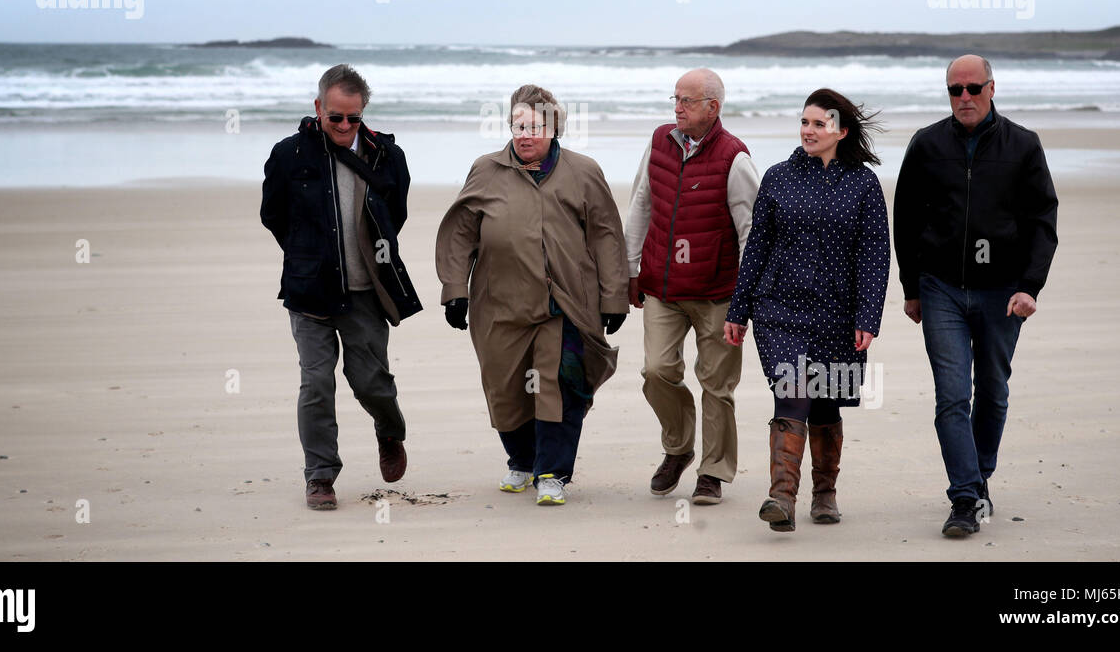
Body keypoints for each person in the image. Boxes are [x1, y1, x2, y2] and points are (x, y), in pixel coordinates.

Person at [436, 85, 630, 506]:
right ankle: (522, 461)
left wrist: (614, 297)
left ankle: (552, 472)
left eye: (536, 126)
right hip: (500, 306)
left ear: (553, 127)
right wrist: (455, 290)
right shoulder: (486, 170)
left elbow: (607, 236)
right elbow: (461, 233)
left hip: (566, 304)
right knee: (506, 388)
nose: (526, 135)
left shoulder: (583, 171)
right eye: (518, 125)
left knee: (560, 384)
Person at [894, 55, 1058, 538]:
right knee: (952, 395)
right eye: (954, 90)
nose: (963, 98)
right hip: (940, 287)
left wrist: (1030, 285)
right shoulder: (927, 144)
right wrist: (911, 288)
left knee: (993, 390)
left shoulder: (1023, 145)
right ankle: (964, 497)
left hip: (1003, 291)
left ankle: (980, 474)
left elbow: (1042, 221)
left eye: (971, 88)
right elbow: (905, 218)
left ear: (991, 88)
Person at [724, 88, 890, 532]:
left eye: (819, 124)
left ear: (841, 131)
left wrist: (867, 317)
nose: (809, 131)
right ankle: (782, 498)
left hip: (838, 313)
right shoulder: (778, 177)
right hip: (780, 308)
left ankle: (824, 493)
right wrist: (738, 310)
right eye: (804, 122)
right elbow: (756, 247)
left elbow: (875, 252)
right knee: (792, 389)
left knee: (825, 403)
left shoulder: (863, 183)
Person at [260, 63, 422, 511]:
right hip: (308, 293)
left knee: (370, 381)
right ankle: (320, 476)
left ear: (363, 111)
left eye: (353, 117)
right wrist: (307, 255)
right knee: (316, 384)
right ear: (318, 108)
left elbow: (396, 215)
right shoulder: (288, 154)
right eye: (336, 117)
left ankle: (389, 431)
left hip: (367, 292)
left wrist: (370, 257)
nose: (345, 126)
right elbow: (272, 215)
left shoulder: (387, 156)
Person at [625, 68, 759, 505]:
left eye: (687, 100)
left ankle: (713, 472)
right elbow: (641, 203)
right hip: (663, 287)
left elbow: (751, 232)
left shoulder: (734, 158)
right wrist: (630, 269)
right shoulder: (659, 141)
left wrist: (745, 299)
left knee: (716, 385)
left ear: (712, 107)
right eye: (675, 99)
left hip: (718, 293)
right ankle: (679, 447)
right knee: (656, 371)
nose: (677, 107)